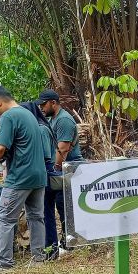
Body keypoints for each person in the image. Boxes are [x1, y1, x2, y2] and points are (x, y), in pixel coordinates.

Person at [0, 86, 47, 272]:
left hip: (20, 176)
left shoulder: (9, 117)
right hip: (38, 174)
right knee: (36, 217)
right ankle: (39, 257)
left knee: (3, 217)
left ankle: (4, 262)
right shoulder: (28, 114)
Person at [38, 89, 82, 245]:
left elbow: (63, 149)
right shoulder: (53, 119)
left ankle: (71, 242)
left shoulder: (64, 120)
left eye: (44, 104)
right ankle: (64, 240)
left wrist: (54, 169)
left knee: (65, 206)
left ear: (53, 103)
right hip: (60, 169)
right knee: (59, 204)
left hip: (68, 169)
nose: (42, 108)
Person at [21, 96, 61, 257]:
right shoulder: (41, 126)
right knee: (45, 214)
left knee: (45, 214)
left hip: (45, 174)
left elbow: (44, 156)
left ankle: (50, 250)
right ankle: (49, 249)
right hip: (44, 174)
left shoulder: (41, 129)